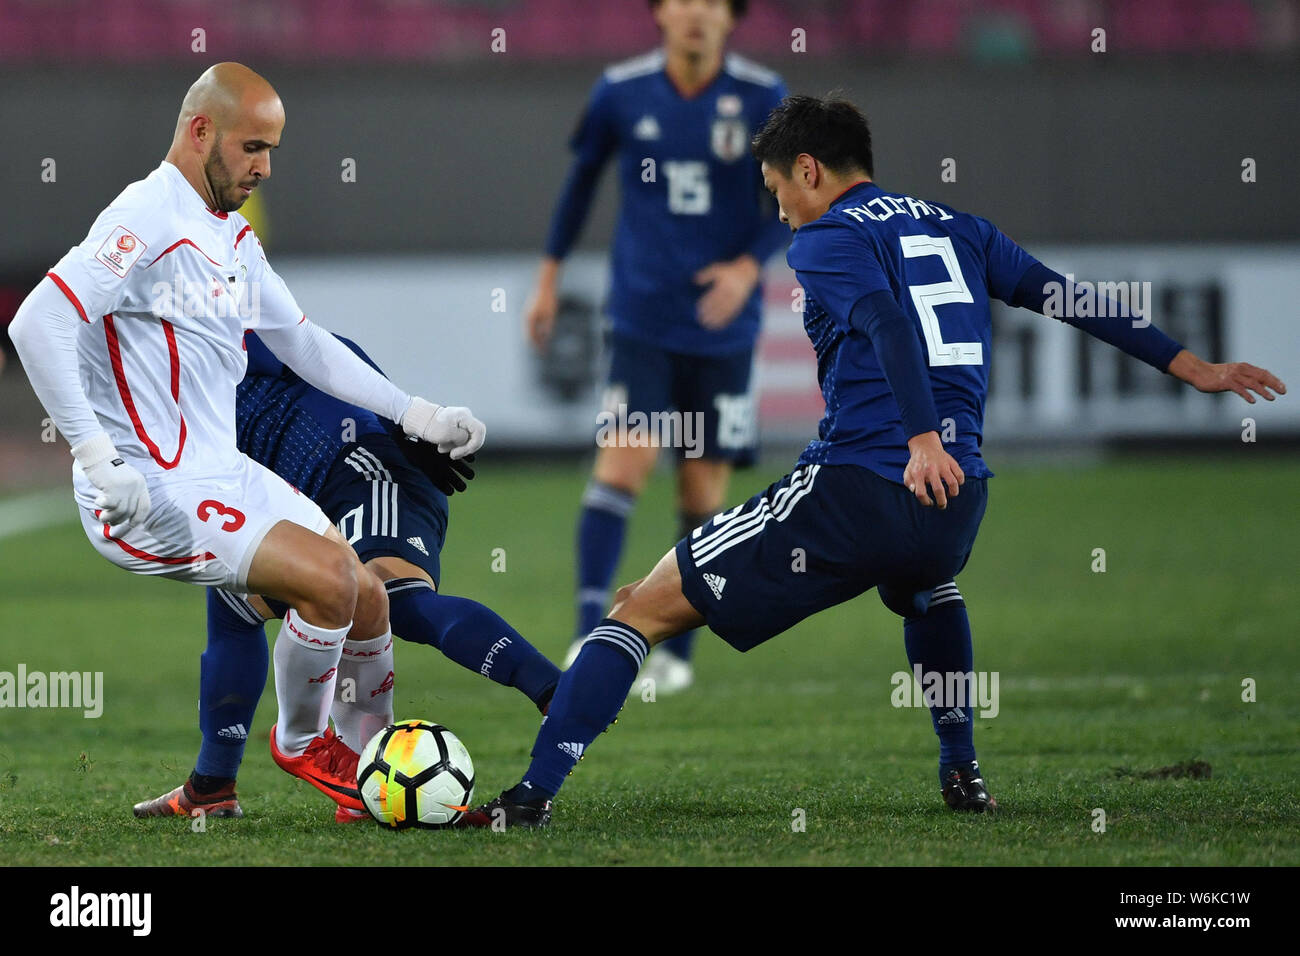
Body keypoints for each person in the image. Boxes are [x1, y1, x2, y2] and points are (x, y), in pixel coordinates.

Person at [464, 94, 1287, 828]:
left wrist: (919, 437)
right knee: (926, 583)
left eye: (776, 187)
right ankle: (962, 771)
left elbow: (888, 326)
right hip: (956, 499)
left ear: (810, 170)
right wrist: (1193, 367)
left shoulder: (824, 238)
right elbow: (1065, 295)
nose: (778, 209)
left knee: (638, 607)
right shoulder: (962, 227)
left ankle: (530, 799)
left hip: (863, 484)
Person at [6, 62, 485, 816]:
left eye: (274, 151)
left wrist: (414, 412)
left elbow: (299, 340)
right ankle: (301, 742)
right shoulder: (146, 215)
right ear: (201, 132)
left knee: (365, 595)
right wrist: (98, 458)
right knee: (329, 581)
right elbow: (37, 322)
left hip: (217, 471)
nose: (265, 167)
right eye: (253, 147)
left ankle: (370, 779)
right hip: (145, 489)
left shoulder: (230, 234)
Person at [131, 332, 561, 821]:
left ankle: (557, 694)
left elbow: (316, 347)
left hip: (360, 471)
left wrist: (403, 427)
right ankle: (213, 787)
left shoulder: (193, 323)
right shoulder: (146, 355)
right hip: (303, 501)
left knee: (390, 598)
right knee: (234, 605)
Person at [523, 0, 789, 693]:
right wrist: (547, 277)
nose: (696, 14)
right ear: (659, 13)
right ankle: (590, 633)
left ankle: (675, 656)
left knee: (702, 489)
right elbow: (579, 184)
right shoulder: (620, 90)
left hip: (724, 330)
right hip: (642, 317)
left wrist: (747, 266)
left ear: (733, 17)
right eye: (682, 0)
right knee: (623, 465)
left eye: (712, 3)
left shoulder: (764, 98)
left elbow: (793, 201)